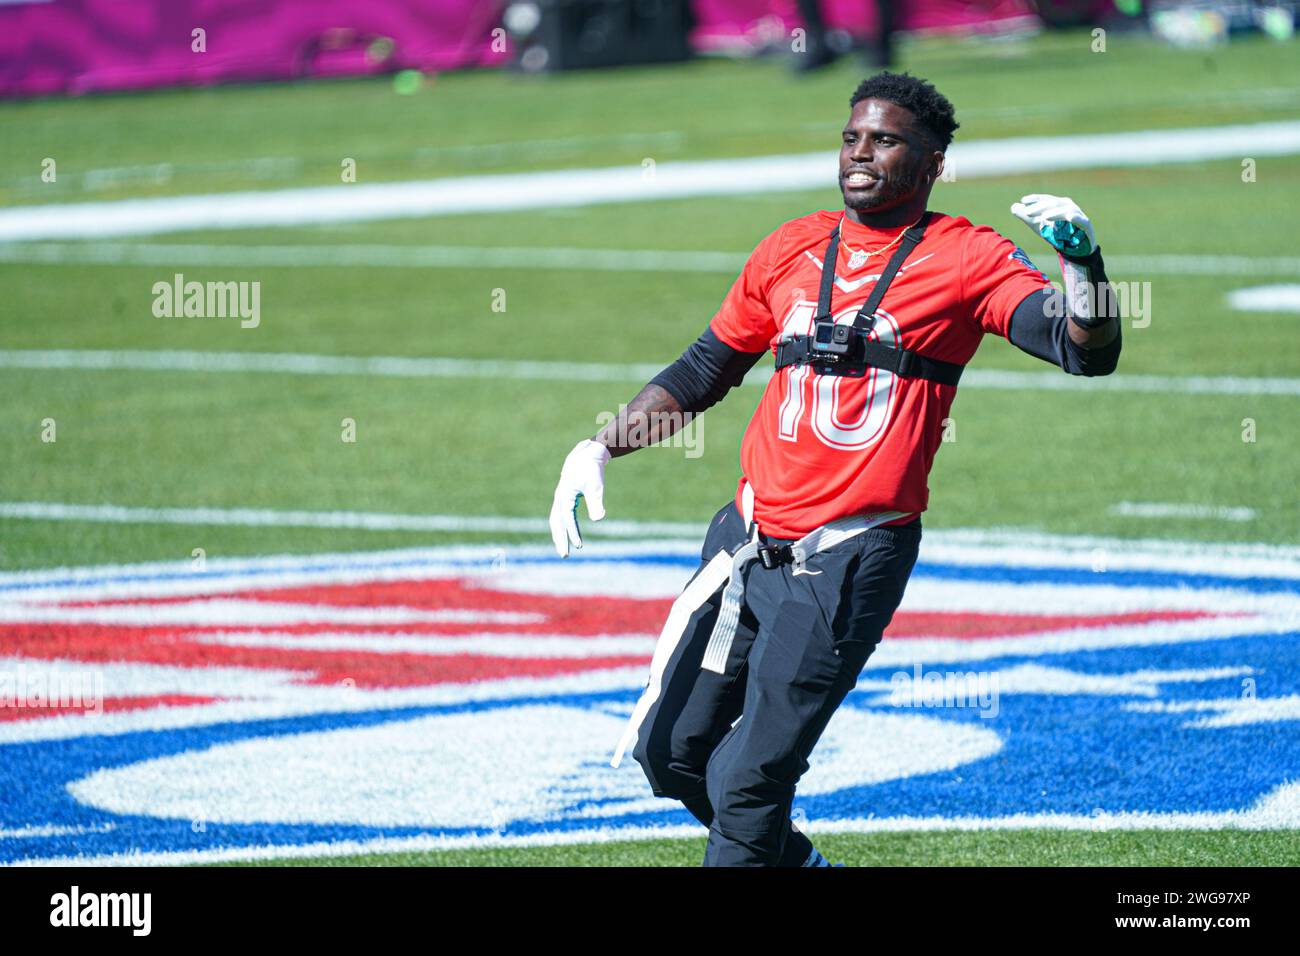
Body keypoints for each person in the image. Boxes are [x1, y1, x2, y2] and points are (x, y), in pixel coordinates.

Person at [548, 71, 1121, 867]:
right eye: (852, 137)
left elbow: (1083, 351)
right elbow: (707, 366)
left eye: (886, 140)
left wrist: (1084, 268)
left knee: (751, 782)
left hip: (848, 555)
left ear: (933, 165)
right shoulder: (791, 243)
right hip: (747, 540)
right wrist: (602, 445)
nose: (860, 154)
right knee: (673, 754)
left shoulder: (966, 256)